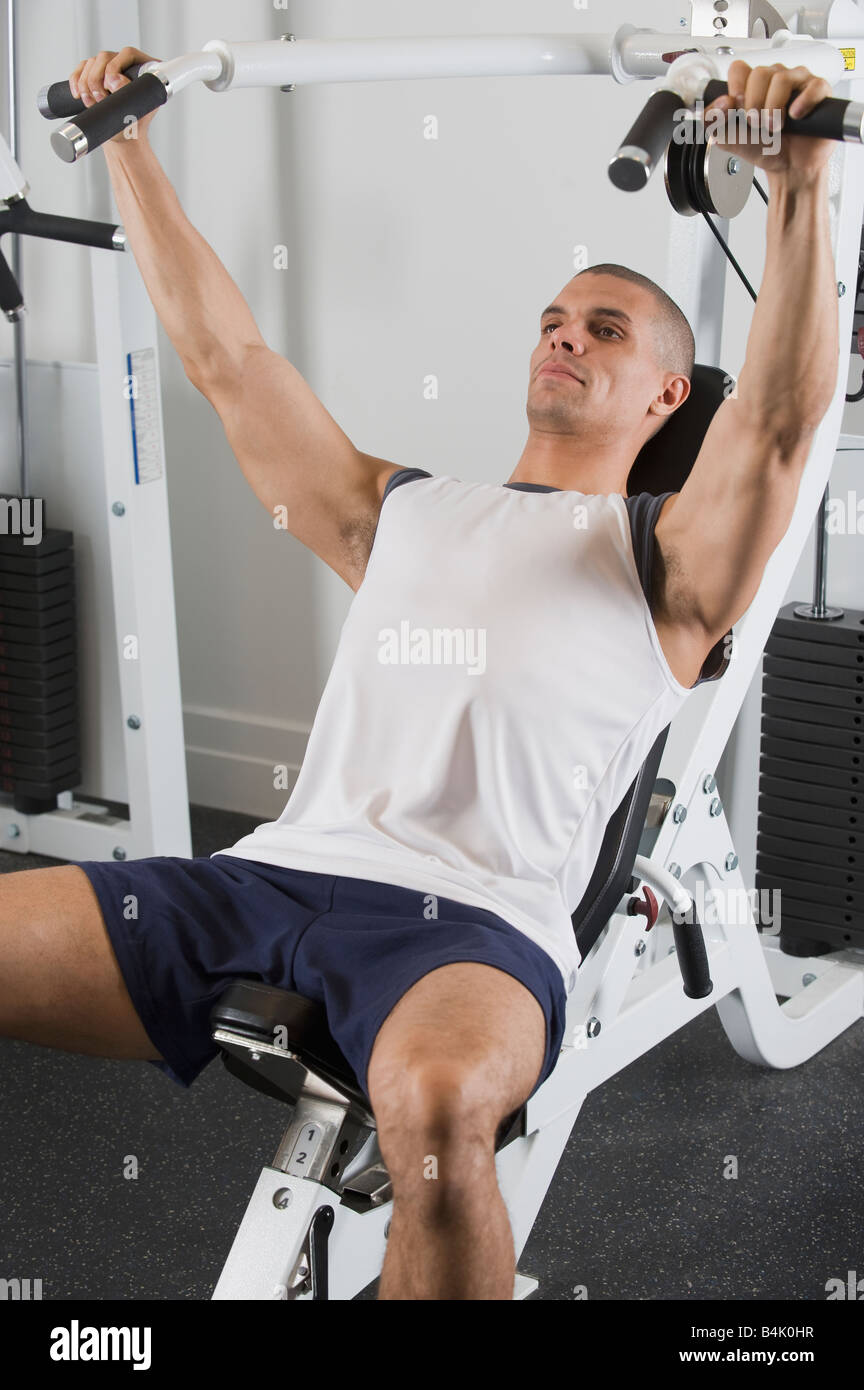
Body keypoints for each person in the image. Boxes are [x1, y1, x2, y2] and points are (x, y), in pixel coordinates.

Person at [0, 49, 838, 1300]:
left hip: (475, 928)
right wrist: (124, 138)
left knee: (440, 1121)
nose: (563, 337)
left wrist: (808, 183)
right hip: (271, 874)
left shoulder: (669, 560)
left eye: (602, 329)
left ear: (668, 390)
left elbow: (776, 425)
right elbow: (230, 361)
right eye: (553, 320)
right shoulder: (397, 507)